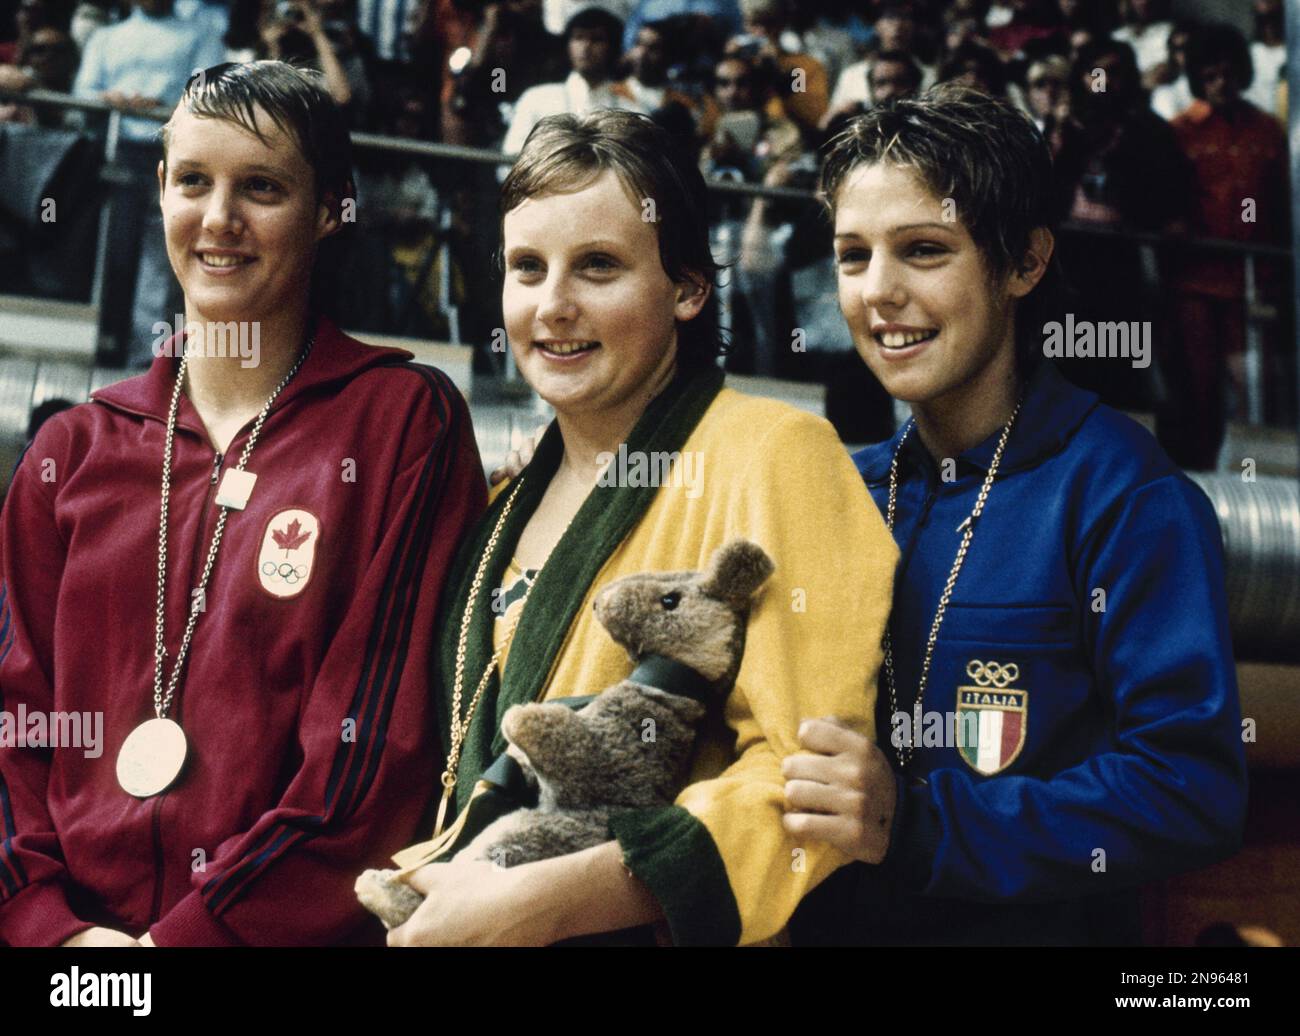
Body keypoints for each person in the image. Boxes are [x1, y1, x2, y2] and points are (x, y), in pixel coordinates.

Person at [0, 61, 486, 946]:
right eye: (194, 181)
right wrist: (52, 934)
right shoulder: (71, 451)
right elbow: (13, 721)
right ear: (160, 192)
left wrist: (179, 948)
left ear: (331, 209)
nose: (219, 220)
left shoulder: (402, 422)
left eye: (261, 187)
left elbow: (377, 754)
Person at [386, 108, 898, 947]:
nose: (553, 306)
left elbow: (808, 787)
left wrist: (552, 900)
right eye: (526, 268)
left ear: (689, 288)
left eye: (598, 267)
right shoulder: (506, 501)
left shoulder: (777, 452)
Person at [785, 85, 1247, 946]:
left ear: (1025, 263)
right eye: (853, 255)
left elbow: (1190, 789)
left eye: (924, 250)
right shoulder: (837, 490)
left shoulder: (1126, 497)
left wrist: (919, 825)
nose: (878, 292)